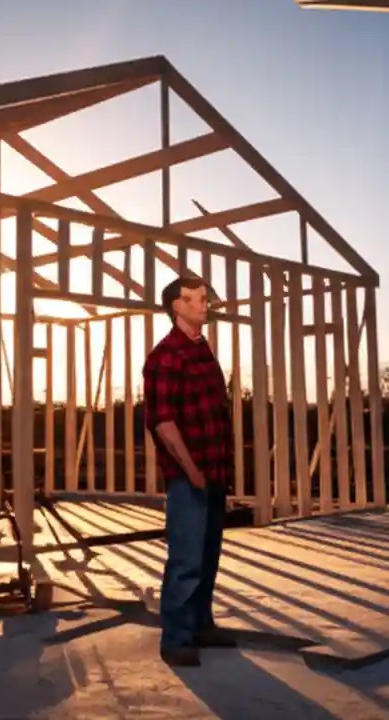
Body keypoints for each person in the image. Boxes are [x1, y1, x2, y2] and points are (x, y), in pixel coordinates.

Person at [142, 275, 238, 667]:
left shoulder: (202, 350)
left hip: (214, 472)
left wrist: (216, 472)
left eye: (205, 298)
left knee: (208, 553)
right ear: (176, 306)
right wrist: (191, 470)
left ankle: (201, 625)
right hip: (189, 477)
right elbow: (163, 422)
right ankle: (176, 638)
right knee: (185, 558)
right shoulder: (165, 356)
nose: (204, 304)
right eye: (196, 299)